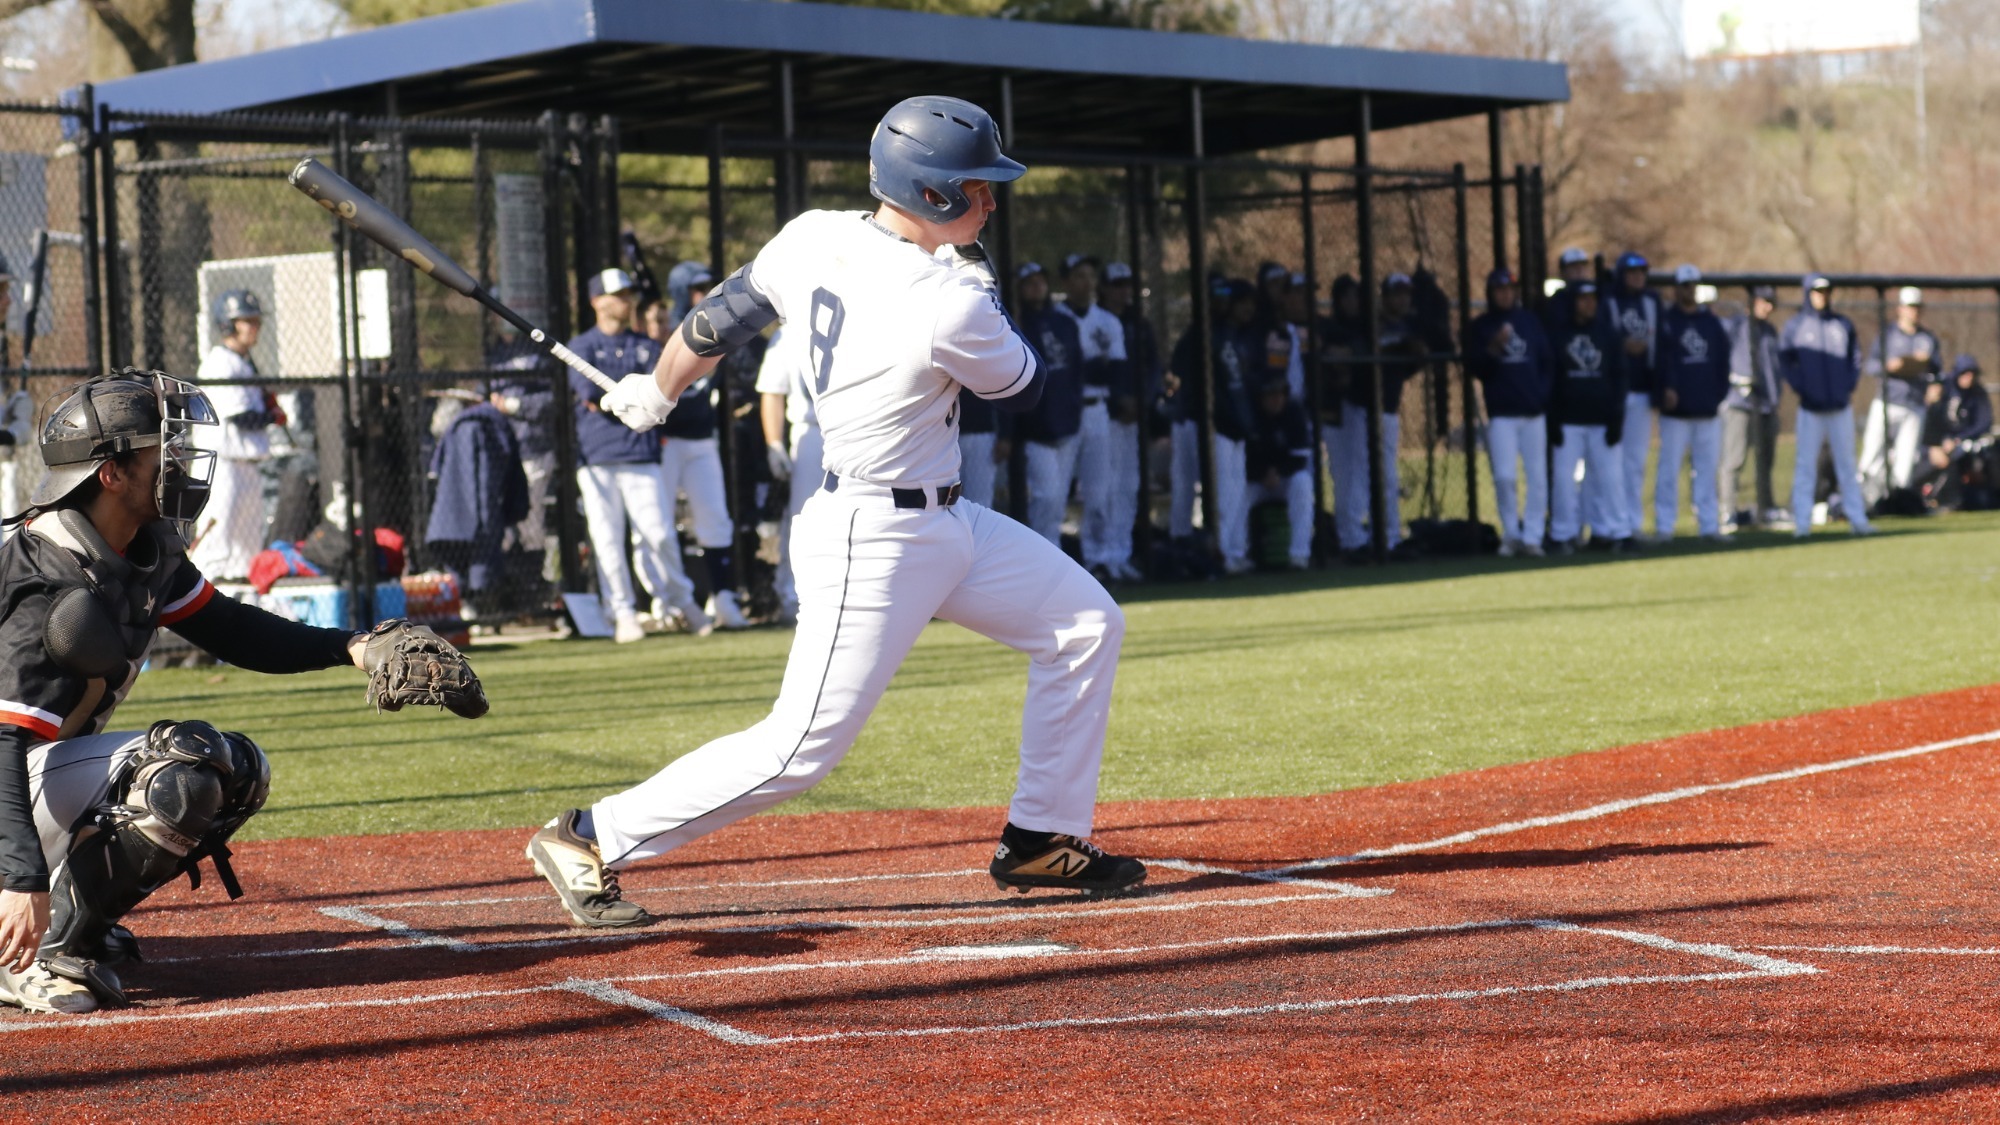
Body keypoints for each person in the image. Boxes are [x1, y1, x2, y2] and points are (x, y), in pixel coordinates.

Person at [525, 95, 1142, 928]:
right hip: (874, 535)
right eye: (976, 187)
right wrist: (977, 277)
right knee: (799, 747)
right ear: (931, 194)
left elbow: (719, 319)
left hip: (946, 517)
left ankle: (1040, 836)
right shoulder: (947, 299)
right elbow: (1026, 386)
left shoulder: (815, 233)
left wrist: (658, 388)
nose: (990, 201)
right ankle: (590, 834)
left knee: (1085, 624)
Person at [0, 370, 484, 1014]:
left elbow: (233, 630)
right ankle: (28, 955)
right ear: (110, 473)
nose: (180, 461)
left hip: (23, 777)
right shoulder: (45, 575)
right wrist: (19, 878)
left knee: (238, 770)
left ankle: (74, 921)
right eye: (163, 449)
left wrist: (354, 647)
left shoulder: (139, 548)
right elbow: (3, 742)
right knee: (182, 771)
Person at [568, 268, 705, 644]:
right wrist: (628, 398)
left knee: (659, 534)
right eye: (617, 295)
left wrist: (631, 398)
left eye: (628, 294)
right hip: (597, 457)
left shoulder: (644, 346)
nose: (626, 302)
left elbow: (657, 391)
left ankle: (681, 600)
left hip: (641, 453)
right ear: (597, 301)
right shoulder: (582, 346)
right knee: (607, 539)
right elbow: (592, 395)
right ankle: (622, 611)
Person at [662, 270, 751, 631]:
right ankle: (667, 601)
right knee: (659, 525)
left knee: (715, 518)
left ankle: (724, 597)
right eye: (695, 288)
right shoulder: (665, 331)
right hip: (664, 441)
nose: (702, 293)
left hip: (702, 438)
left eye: (705, 287)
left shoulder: (719, 326)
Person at [1056, 254, 1140, 583]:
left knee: (1099, 492)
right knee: (1056, 491)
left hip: (1097, 408)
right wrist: (1088, 367)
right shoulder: (1055, 318)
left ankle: (1098, 559)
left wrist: (1082, 369)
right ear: (1066, 282)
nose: (1086, 282)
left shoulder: (1108, 321)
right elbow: (1064, 372)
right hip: (1064, 411)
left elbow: (1115, 371)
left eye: (1090, 276)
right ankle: (1054, 563)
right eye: (1079, 276)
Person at [1330, 273, 1426, 557]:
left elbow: (1410, 363)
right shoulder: (1366, 324)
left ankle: (1388, 537)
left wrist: (1413, 351)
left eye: (1406, 294)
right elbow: (1354, 354)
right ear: (1384, 297)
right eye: (1397, 294)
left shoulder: (1408, 327)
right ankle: (1354, 539)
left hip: (1388, 410)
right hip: (1360, 408)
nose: (1402, 300)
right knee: (1358, 475)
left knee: (1386, 476)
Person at [1166, 278, 1257, 573]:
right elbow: (1182, 380)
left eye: (1227, 297)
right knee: (1219, 494)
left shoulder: (1235, 336)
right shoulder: (1196, 337)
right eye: (1217, 297)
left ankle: (1235, 551)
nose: (1223, 303)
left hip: (1235, 426)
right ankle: (1220, 553)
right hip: (1211, 426)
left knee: (1236, 493)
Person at [1465, 268, 1554, 556]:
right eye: (1499, 290)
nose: (1505, 295)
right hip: (1502, 414)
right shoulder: (1481, 327)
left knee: (1537, 478)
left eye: (1509, 289)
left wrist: (1541, 396)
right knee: (1505, 477)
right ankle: (1511, 534)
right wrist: (1493, 349)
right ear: (1490, 293)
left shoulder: (1529, 321)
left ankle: (1533, 537)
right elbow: (1476, 368)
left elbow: (1546, 362)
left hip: (1533, 413)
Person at [191, 290, 274, 580]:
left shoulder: (245, 363)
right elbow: (241, 417)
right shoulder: (220, 362)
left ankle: (241, 598)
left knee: (247, 550)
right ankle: (199, 600)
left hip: (247, 464)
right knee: (217, 542)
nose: (254, 327)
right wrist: (273, 415)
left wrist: (269, 406)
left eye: (256, 321)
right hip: (221, 465)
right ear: (227, 324)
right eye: (246, 321)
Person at [1781, 274, 1872, 538]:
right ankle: (1802, 523)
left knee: (1847, 464)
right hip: (1810, 408)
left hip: (1840, 406)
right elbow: (1786, 361)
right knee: (1805, 465)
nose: (1822, 296)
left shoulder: (1841, 324)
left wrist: (1847, 386)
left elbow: (1855, 358)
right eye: (1817, 291)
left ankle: (1858, 519)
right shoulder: (1796, 325)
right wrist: (1802, 388)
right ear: (1807, 293)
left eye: (1826, 291)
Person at [1650, 266, 1735, 542]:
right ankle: (1665, 526)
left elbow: (1723, 361)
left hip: (1707, 409)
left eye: (1692, 285)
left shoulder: (1710, 322)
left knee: (1707, 471)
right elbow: (1660, 362)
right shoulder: (1667, 322)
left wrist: (1717, 395)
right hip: (1676, 413)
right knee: (1669, 471)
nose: (1689, 290)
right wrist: (1666, 390)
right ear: (1676, 289)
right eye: (1684, 285)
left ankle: (1709, 525)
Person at [1546, 281, 1630, 552]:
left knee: (1610, 479)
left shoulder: (1608, 334)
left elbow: (1619, 377)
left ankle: (1614, 531)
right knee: (1564, 480)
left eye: (1592, 298)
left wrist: (1616, 416)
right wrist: (1554, 418)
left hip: (1602, 420)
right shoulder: (1559, 335)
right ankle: (1563, 534)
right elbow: (1551, 378)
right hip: (1568, 421)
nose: (1588, 304)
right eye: (1583, 299)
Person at [1014, 262, 1087, 550]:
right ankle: (1039, 554)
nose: (1037, 287)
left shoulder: (1064, 323)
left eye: (1040, 281)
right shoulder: (1014, 324)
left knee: (1058, 499)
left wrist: (1074, 410)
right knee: (1046, 495)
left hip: (1067, 425)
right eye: (1029, 282)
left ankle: (1052, 552)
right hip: (1034, 430)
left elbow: (1077, 372)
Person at [755, 326, 820, 623]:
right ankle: (794, 595)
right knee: (803, 519)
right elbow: (772, 391)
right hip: (811, 432)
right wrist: (774, 444)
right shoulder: (789, 332)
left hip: (859, 432)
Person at [1860, 286, 1943, 508]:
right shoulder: (1888, 335)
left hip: (1915, 404)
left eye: (1917, 307)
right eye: (1909, 307)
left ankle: (1895, 503)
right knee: (1872, 453)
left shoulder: (1927, 338)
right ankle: (1867, 501)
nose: (1913, 311)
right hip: (1888, 401)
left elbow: (1937, 371)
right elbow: (1870, 365)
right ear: (1900, 309)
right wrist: (1889, 366)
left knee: (1905, 459)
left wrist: (1935, 386)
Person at [1602, 252, 1661, 541]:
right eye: (1631, 272)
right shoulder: (1609, 301)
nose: (1637, 277)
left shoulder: (1650, 302)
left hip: (1641, 391)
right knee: (1608, 463)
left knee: (1635, 463)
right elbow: (1601, 339)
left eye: (1641, 272)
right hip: (1613, 393)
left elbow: (1661, 346)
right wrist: (1620, 346)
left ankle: (1632, 523)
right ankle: (1605, 524)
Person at [1720, 285, 1784, 531]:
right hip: (1740, 404)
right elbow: (1721, 354)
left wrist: (1775, 395)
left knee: (1766, 462)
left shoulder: (1770, 331)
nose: (1767, 307)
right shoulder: (1736, 325)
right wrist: (1734, 379)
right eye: (1763, 301)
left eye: (1771, 302)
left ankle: (1766, 509)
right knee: (1734, 460)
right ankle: (1727, 511)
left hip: (1766, 405)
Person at [1243, 374, 1314, 569]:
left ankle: (1299, 555)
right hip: (1257, 481)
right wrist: (1261, 474)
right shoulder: (1249, 416)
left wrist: (1279, 472)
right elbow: (1242, 459)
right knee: (1238, 494)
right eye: (1271, 395)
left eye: (1280, 394)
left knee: (1303, 482)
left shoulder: (1294, 412)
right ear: (1261, 397)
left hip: (1284, 479)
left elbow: (1300, 456)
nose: (1276, 399)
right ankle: (1239, 554)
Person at [1917, 353, 1994, 509]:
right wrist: (1937, 443)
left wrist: (1958, 439)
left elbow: (1984, 422)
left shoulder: (1977, 393)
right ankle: (1927, 497)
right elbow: (1931, 422)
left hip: (1964, 444)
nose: (1969, 378)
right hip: (1935, 445)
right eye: (1965, 373)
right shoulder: (1944, 389)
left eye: (1972, 373)